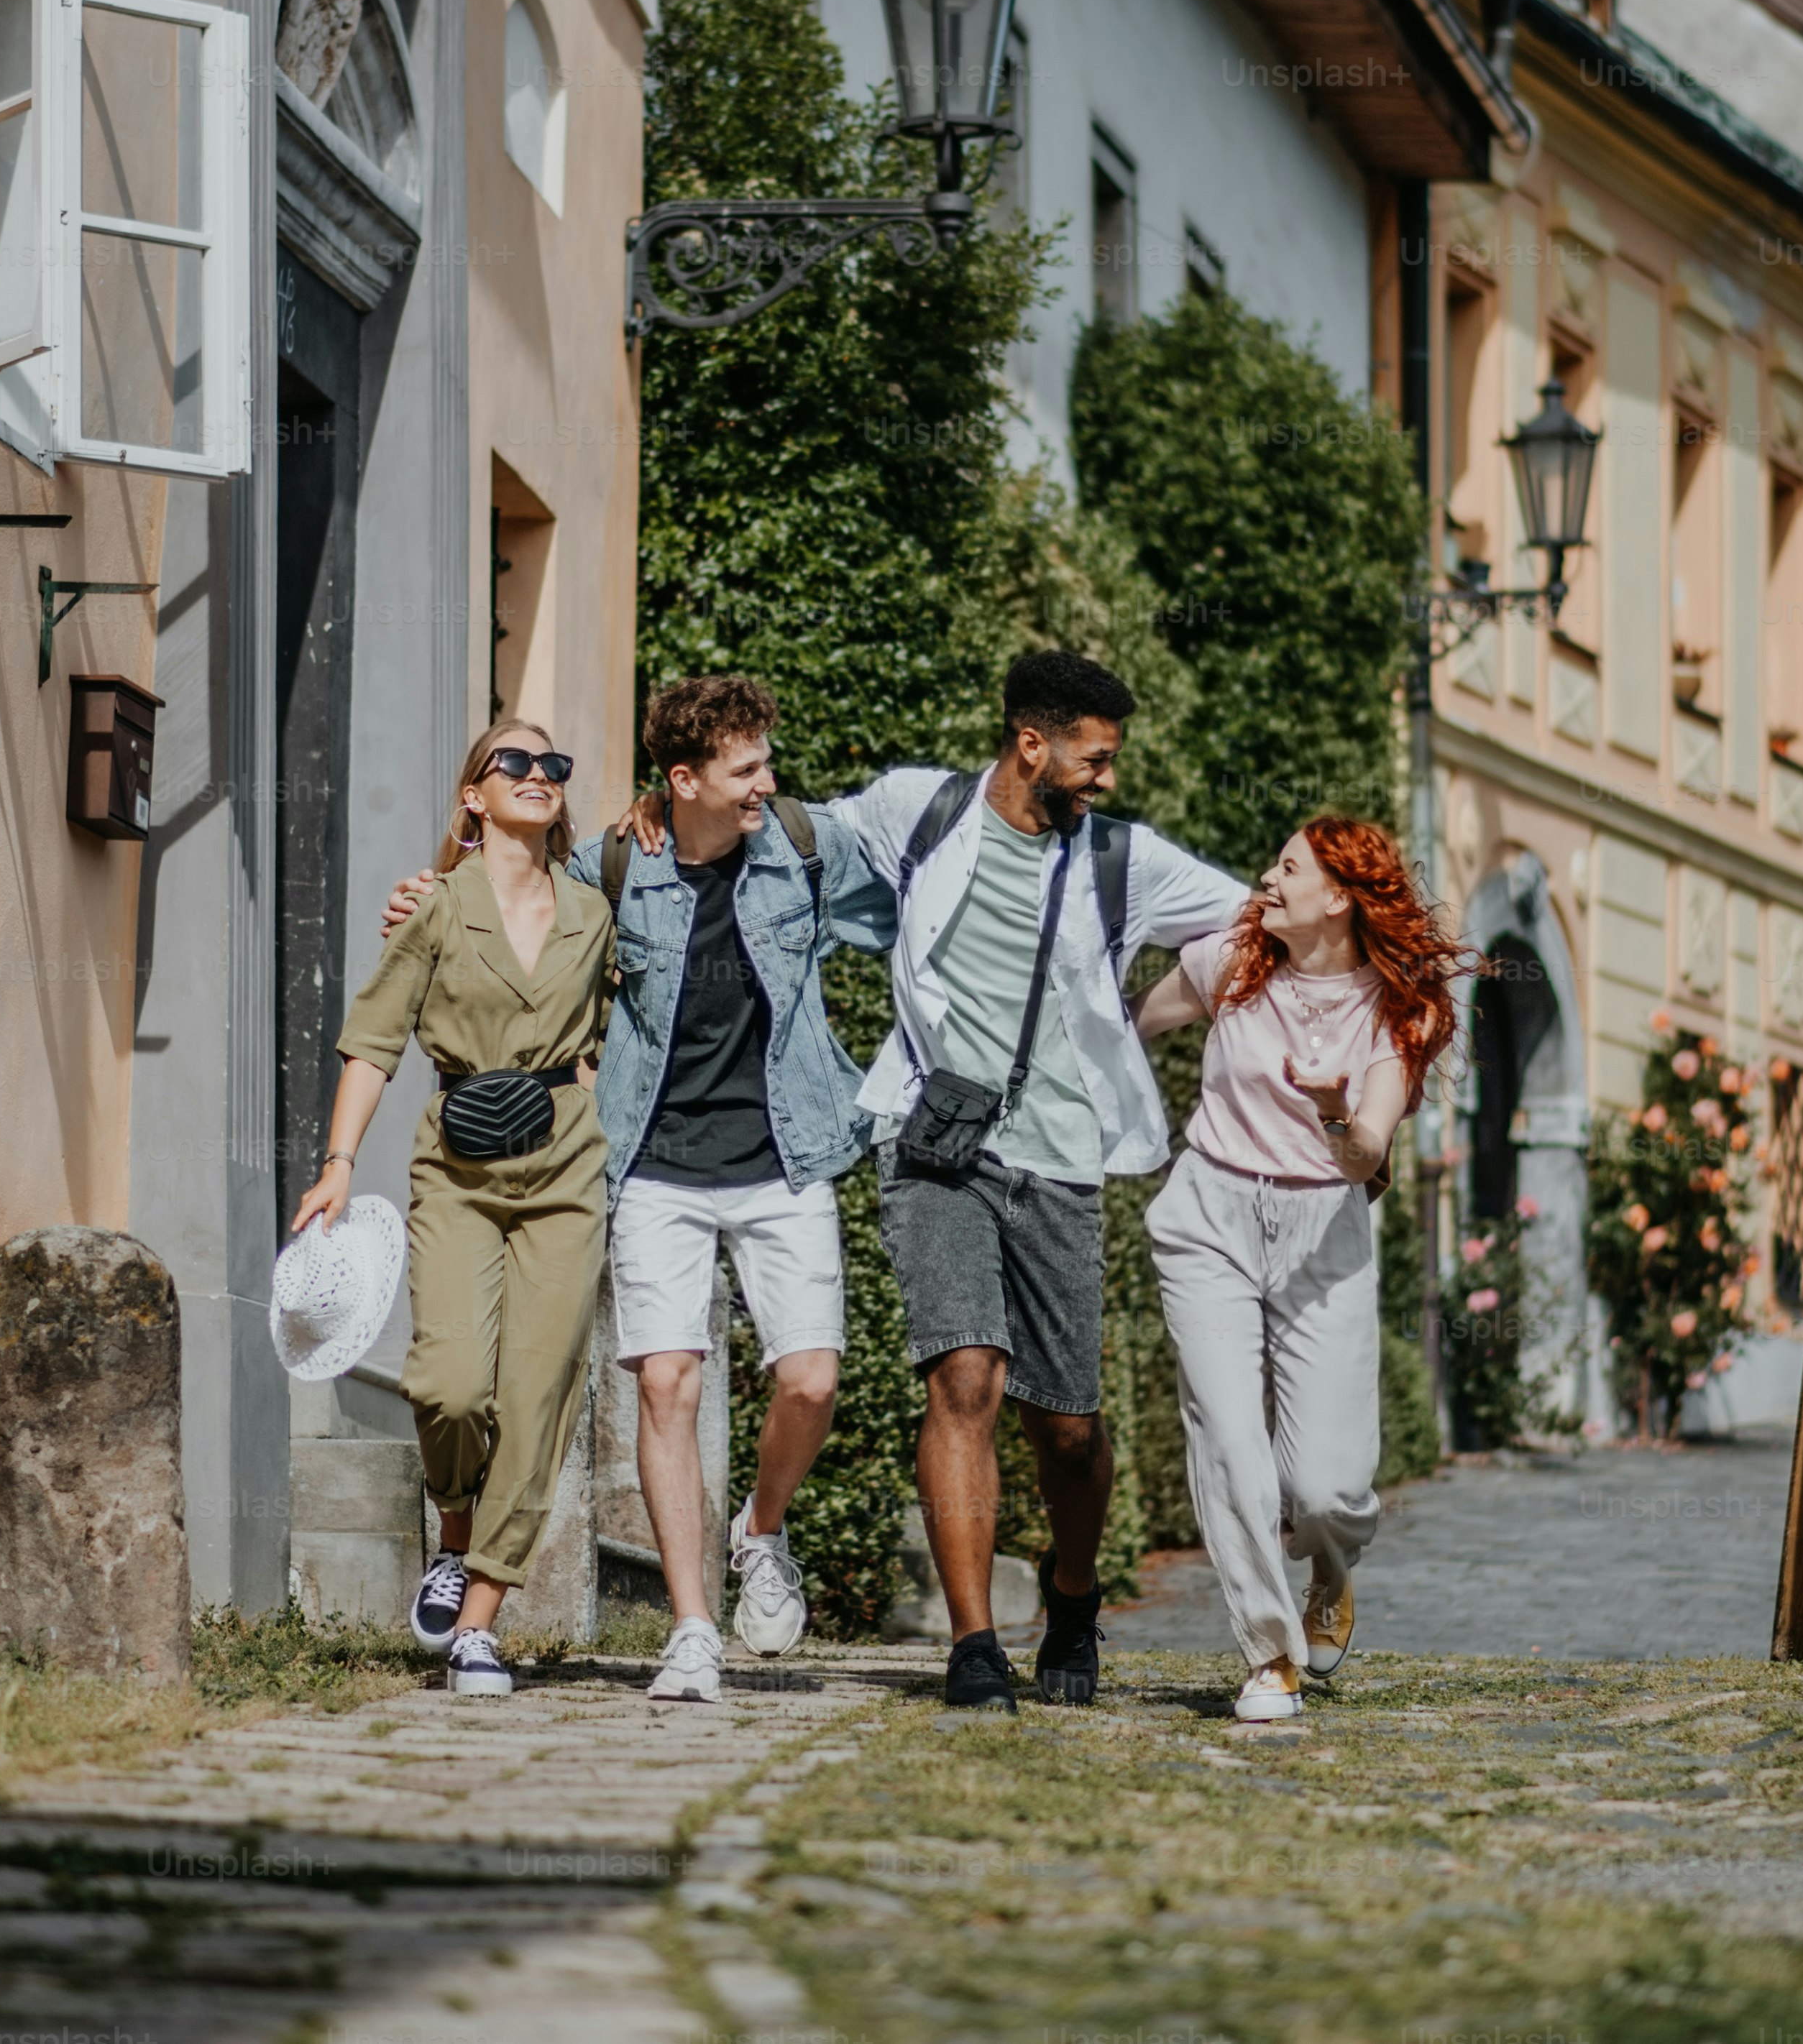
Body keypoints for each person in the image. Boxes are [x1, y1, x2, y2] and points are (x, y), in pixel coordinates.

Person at [391, 677, 896, 1699]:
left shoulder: (807, 847)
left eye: (765, 762)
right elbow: (509, 895)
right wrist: (425, 896)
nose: (766, 782)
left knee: (810, 1380)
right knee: (666, 1381)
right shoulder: (614, 865)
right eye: (745, 768)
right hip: (653, 1160)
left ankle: (761, 1530)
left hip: (787, 1153)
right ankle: (693, 1627)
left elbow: (906, 925)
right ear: (682, 778)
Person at [821, 650, 1249, 1713]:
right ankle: (973, 1645)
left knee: (1065, 1424)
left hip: (1061, 1157)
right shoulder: (919, 810)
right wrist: (654, 816)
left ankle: (1071, 1591)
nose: (1107, 777)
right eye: (1093, 758)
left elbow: (1260, 923)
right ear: (1030, 744)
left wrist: (1156, 1011)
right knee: (963, 1376)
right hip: (934, 1142)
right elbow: (793, 838)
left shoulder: (1122, 860)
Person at [292, 719, 614, 1698]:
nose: (537, 773)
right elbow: (374, 1038)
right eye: (513, 761)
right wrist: (339, 1162)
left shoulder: (593, 911)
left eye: (553, 764)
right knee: (449, 1383)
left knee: (537, 1392)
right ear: (474, 794)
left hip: (564, 1166)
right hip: (458, 1164)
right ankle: (456, 1526)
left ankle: (478, 1620)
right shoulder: (434, 905)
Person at [1131, 816, 1458, 1723]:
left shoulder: (1393, 1010)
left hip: (1324, 1226)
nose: (1267, 880)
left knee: (1325, 1486)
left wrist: (1333, 1115)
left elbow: (1365, 1154)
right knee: (1228, 1440)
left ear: (1339, 896)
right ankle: (1269, 1652)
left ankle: (1333, 1566)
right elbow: (1123, 1025)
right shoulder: (1231, 961)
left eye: (1288, 868)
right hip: (1209, 1215)